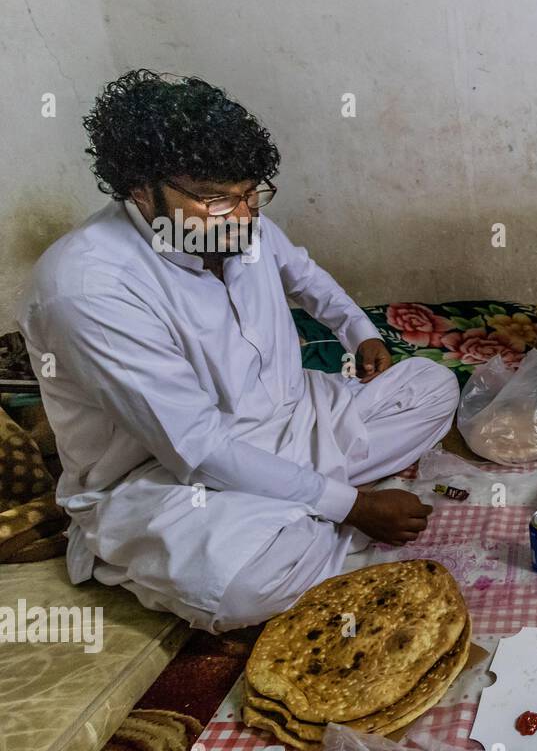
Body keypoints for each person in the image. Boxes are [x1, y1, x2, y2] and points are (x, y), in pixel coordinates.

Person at [19, 70, 459, 632]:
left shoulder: (238, 222)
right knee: (244, 587)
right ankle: (298, 515)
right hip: (172, 478)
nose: (245, 215)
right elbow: (197, 447)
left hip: (296, 419)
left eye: (252, 194)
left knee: (433, 386)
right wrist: (356, 508)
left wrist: (359, 331)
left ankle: (295, 509)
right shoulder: (89, 287)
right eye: (216, 200)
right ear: (139, 190)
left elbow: (305, 276)